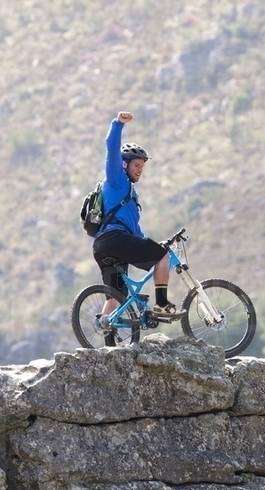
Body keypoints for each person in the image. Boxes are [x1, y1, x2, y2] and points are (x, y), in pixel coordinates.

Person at [92, 111, 174, 345]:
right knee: (162, 256)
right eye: (136, 165)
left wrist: (150, 243)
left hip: (105, 245)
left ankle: (108, 339)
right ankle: (161, 304)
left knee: (118, 295)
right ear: (124, 164)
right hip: (114, 240)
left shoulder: (128, 194)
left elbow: (136, 235)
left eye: (142, 166)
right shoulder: (116, 179)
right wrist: (118, 124)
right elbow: (111, 147)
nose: (140, 169)